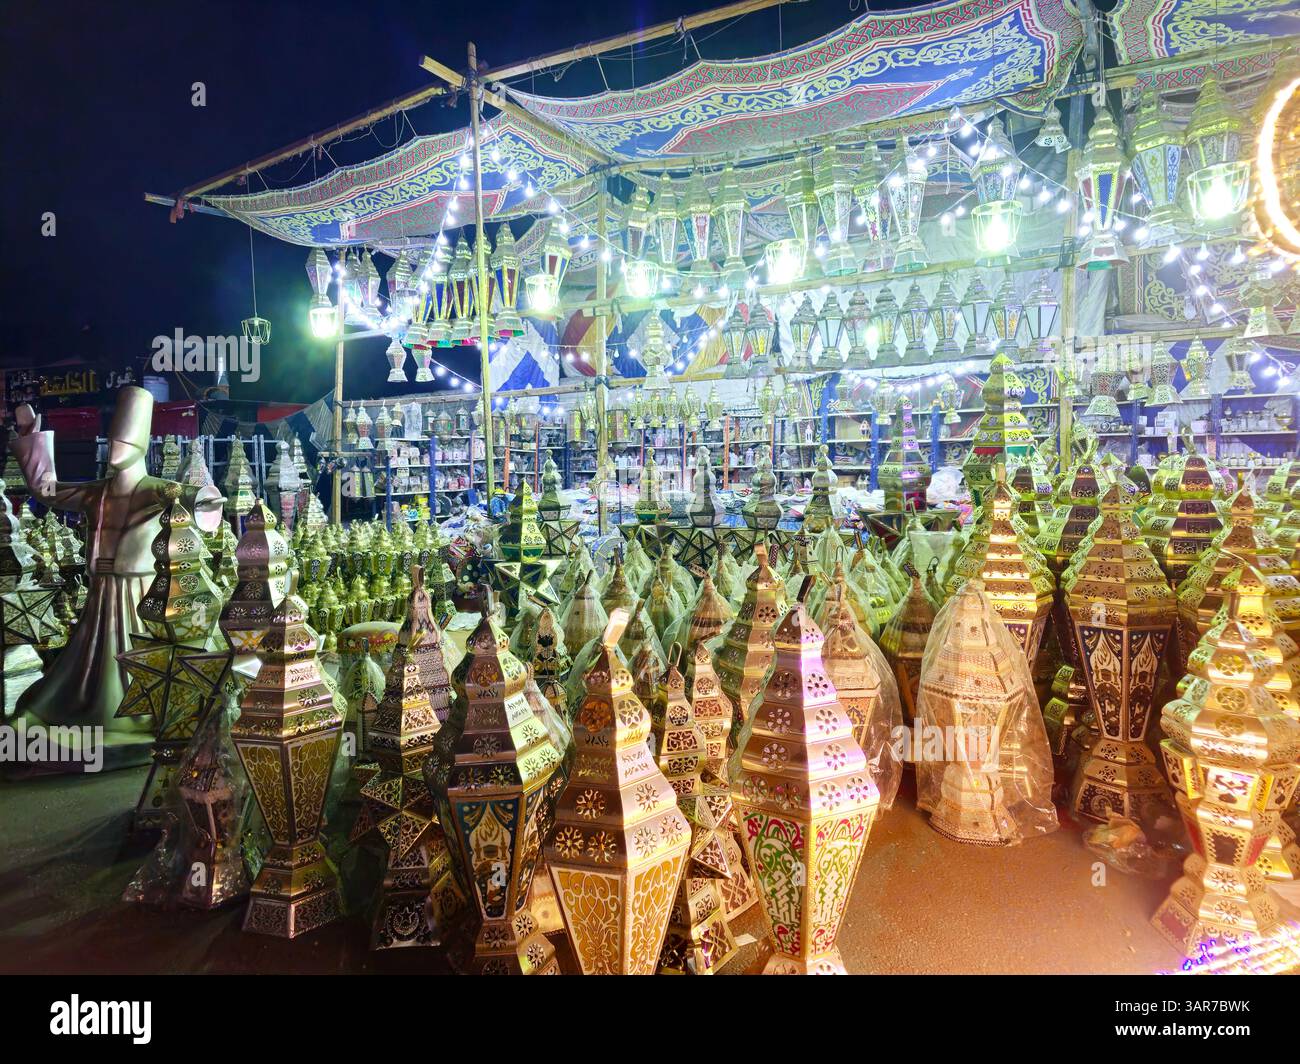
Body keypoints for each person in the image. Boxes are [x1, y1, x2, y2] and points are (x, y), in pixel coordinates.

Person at [9, 387, 224, 756]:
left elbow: (195, 496)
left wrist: (204, 498)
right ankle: (94, 708)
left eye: (125, 441)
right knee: (92, 665)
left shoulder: (155, 490)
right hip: (101, 593)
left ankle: (141, 713)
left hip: (140, 594)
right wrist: (31, 441)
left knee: (141, 656)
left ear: (141, 445)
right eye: (113, 441)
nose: (116, 450)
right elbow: (49, 490)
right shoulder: (97, 492)